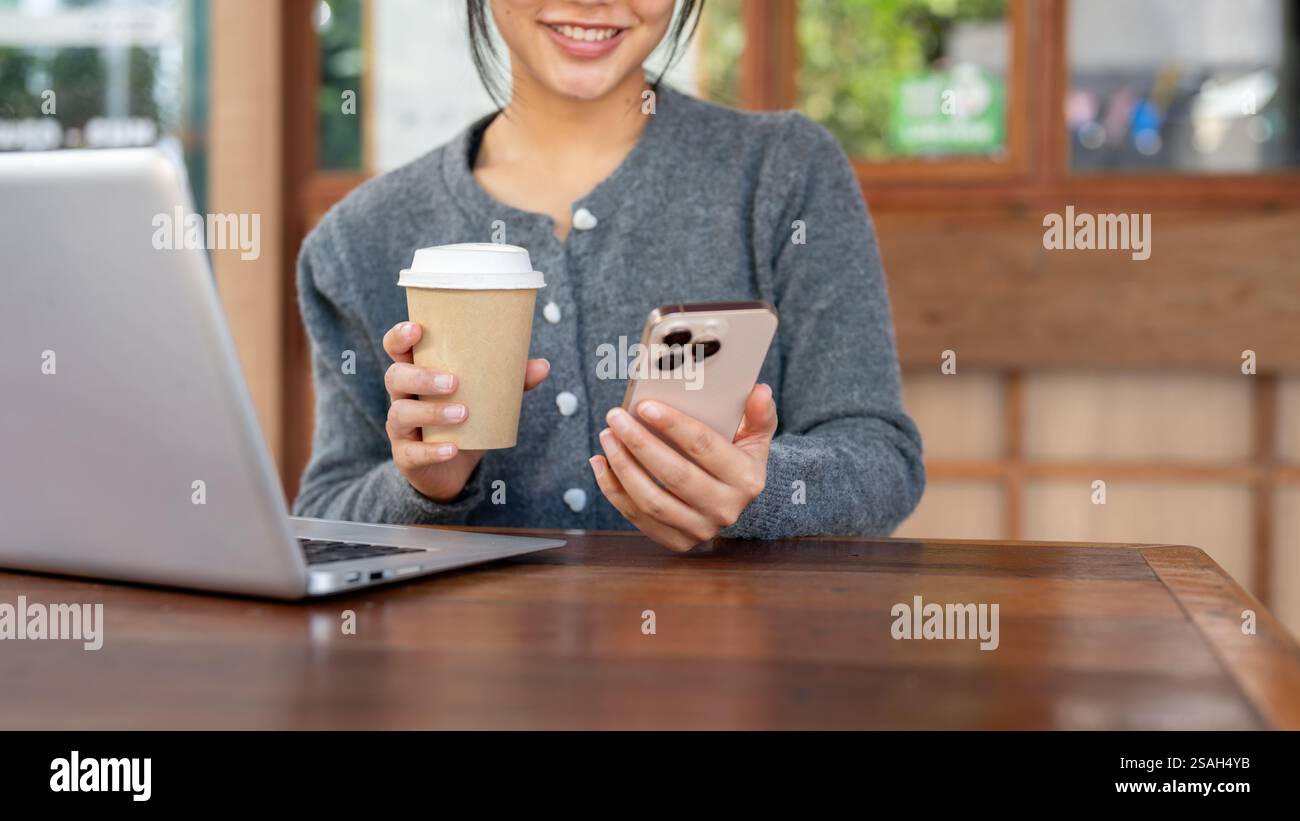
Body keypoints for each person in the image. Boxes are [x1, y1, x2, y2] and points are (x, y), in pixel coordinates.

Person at [293, 0, 925, 552]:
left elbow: (882, 458)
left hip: (732, 676)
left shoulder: (784, 175)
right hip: (469, 681)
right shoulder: (359, 240)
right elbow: (323, 523)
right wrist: (420, 484)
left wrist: (759, 487)